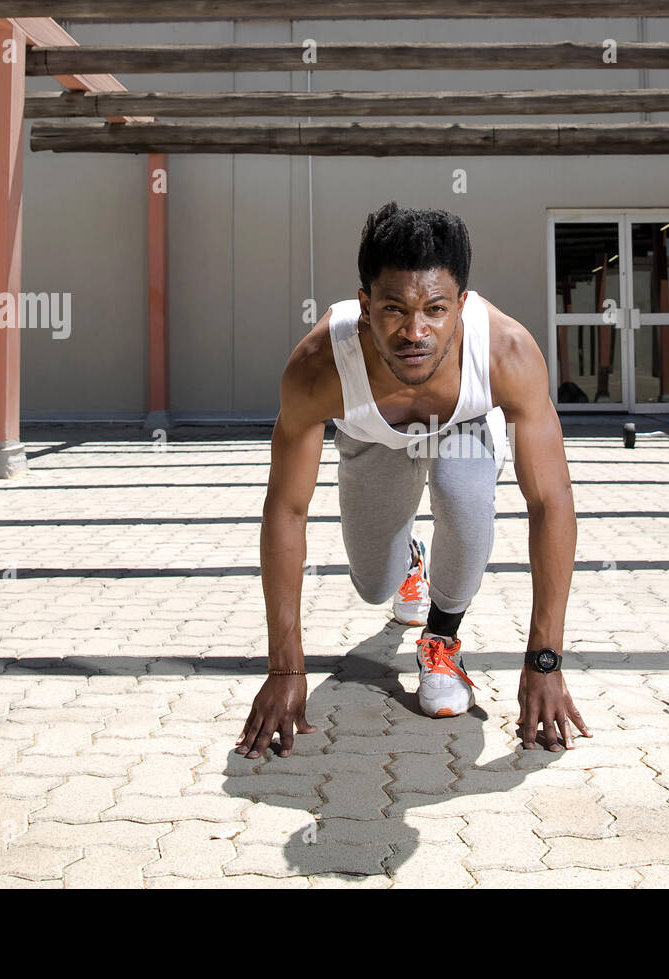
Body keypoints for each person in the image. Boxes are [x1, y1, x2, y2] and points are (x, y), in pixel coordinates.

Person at [236, 202, 590, 759]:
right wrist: (285, 668)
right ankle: (409, 567)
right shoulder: (317, 367)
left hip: (462, 422)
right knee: (373, 585)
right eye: (394, 309)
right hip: (372, 434)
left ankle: (442, 638)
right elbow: (286, 508)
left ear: (462, 307)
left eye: (435, 309)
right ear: (365, 306)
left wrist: (545, 660)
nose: (415, 331)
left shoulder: (506, 352)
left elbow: (551, 500)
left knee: (465, 496)